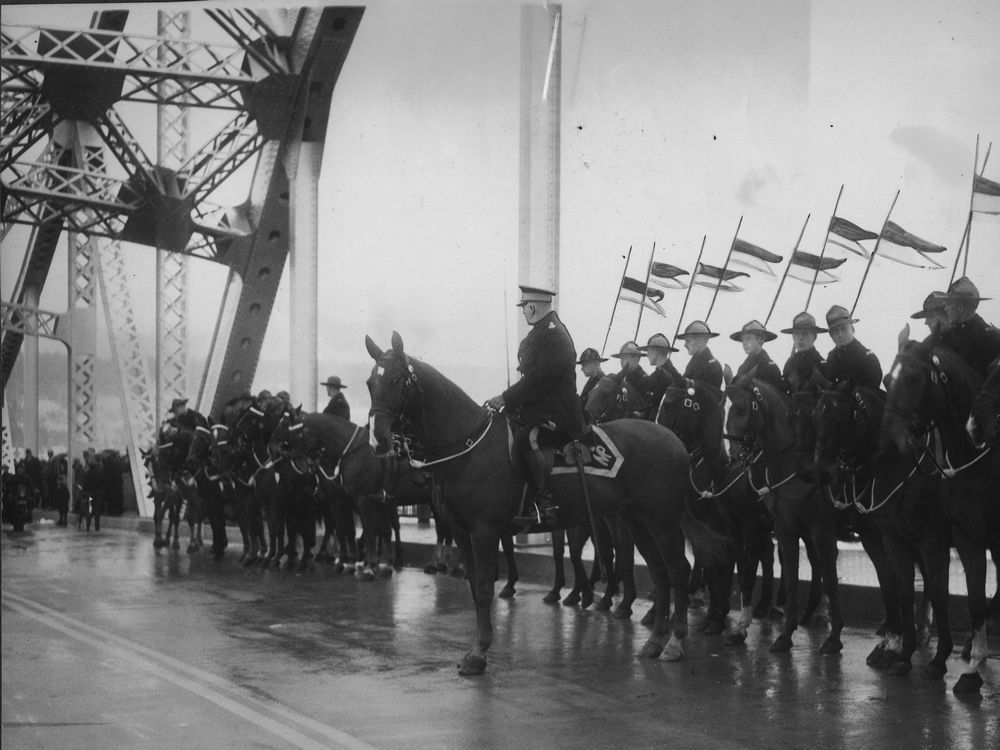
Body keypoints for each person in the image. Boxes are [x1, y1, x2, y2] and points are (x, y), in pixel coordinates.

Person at [486, 285, 584, 525]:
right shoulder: (541, 333)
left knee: (528, 439)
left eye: (524, 307)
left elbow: (539, 380)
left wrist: (505, 398)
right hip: (538, 410)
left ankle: (545, 501)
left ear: (532, 307)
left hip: (557, 414)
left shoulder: (554, 335)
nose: (523, 312)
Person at [938, 277, 1000, 377]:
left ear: (960, 308)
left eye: (948, 304)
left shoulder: (989, 338)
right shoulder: (949, 336)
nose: (945, 309)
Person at [824, 305, 883, 390]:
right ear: (831, 335)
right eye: (835, 331)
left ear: (852, 329)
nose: (840, 334)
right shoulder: (831, 358)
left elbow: (870, 391)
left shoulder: (867, 357)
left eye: (844, 329)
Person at [638, 333, 683, 420]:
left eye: (649, 351)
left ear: (657, 352)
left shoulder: (668, 376)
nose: (647, 355)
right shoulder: (660, 373)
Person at [781, 311, 827, 392]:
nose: (800, 338)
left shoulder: (820, 364)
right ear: (793, 337)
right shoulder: (790, 363)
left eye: (805, 333)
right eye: (797, 334)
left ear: (814, 337)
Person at [730, 320, 782, 389]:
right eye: (743, 339)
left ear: (761, 340)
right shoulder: (742, 368)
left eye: (748, 338)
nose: (744, 343)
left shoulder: (770, 368)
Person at [675, 320, 724, 388]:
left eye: (688, 341)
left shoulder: (713, 366)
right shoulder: (693, 363)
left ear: (700, 341)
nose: (685, 345)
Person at [577, 348, 608, 417]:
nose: (582, 369)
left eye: (584, 365)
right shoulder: (591, 380)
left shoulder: (602, 384)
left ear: (595, 364)